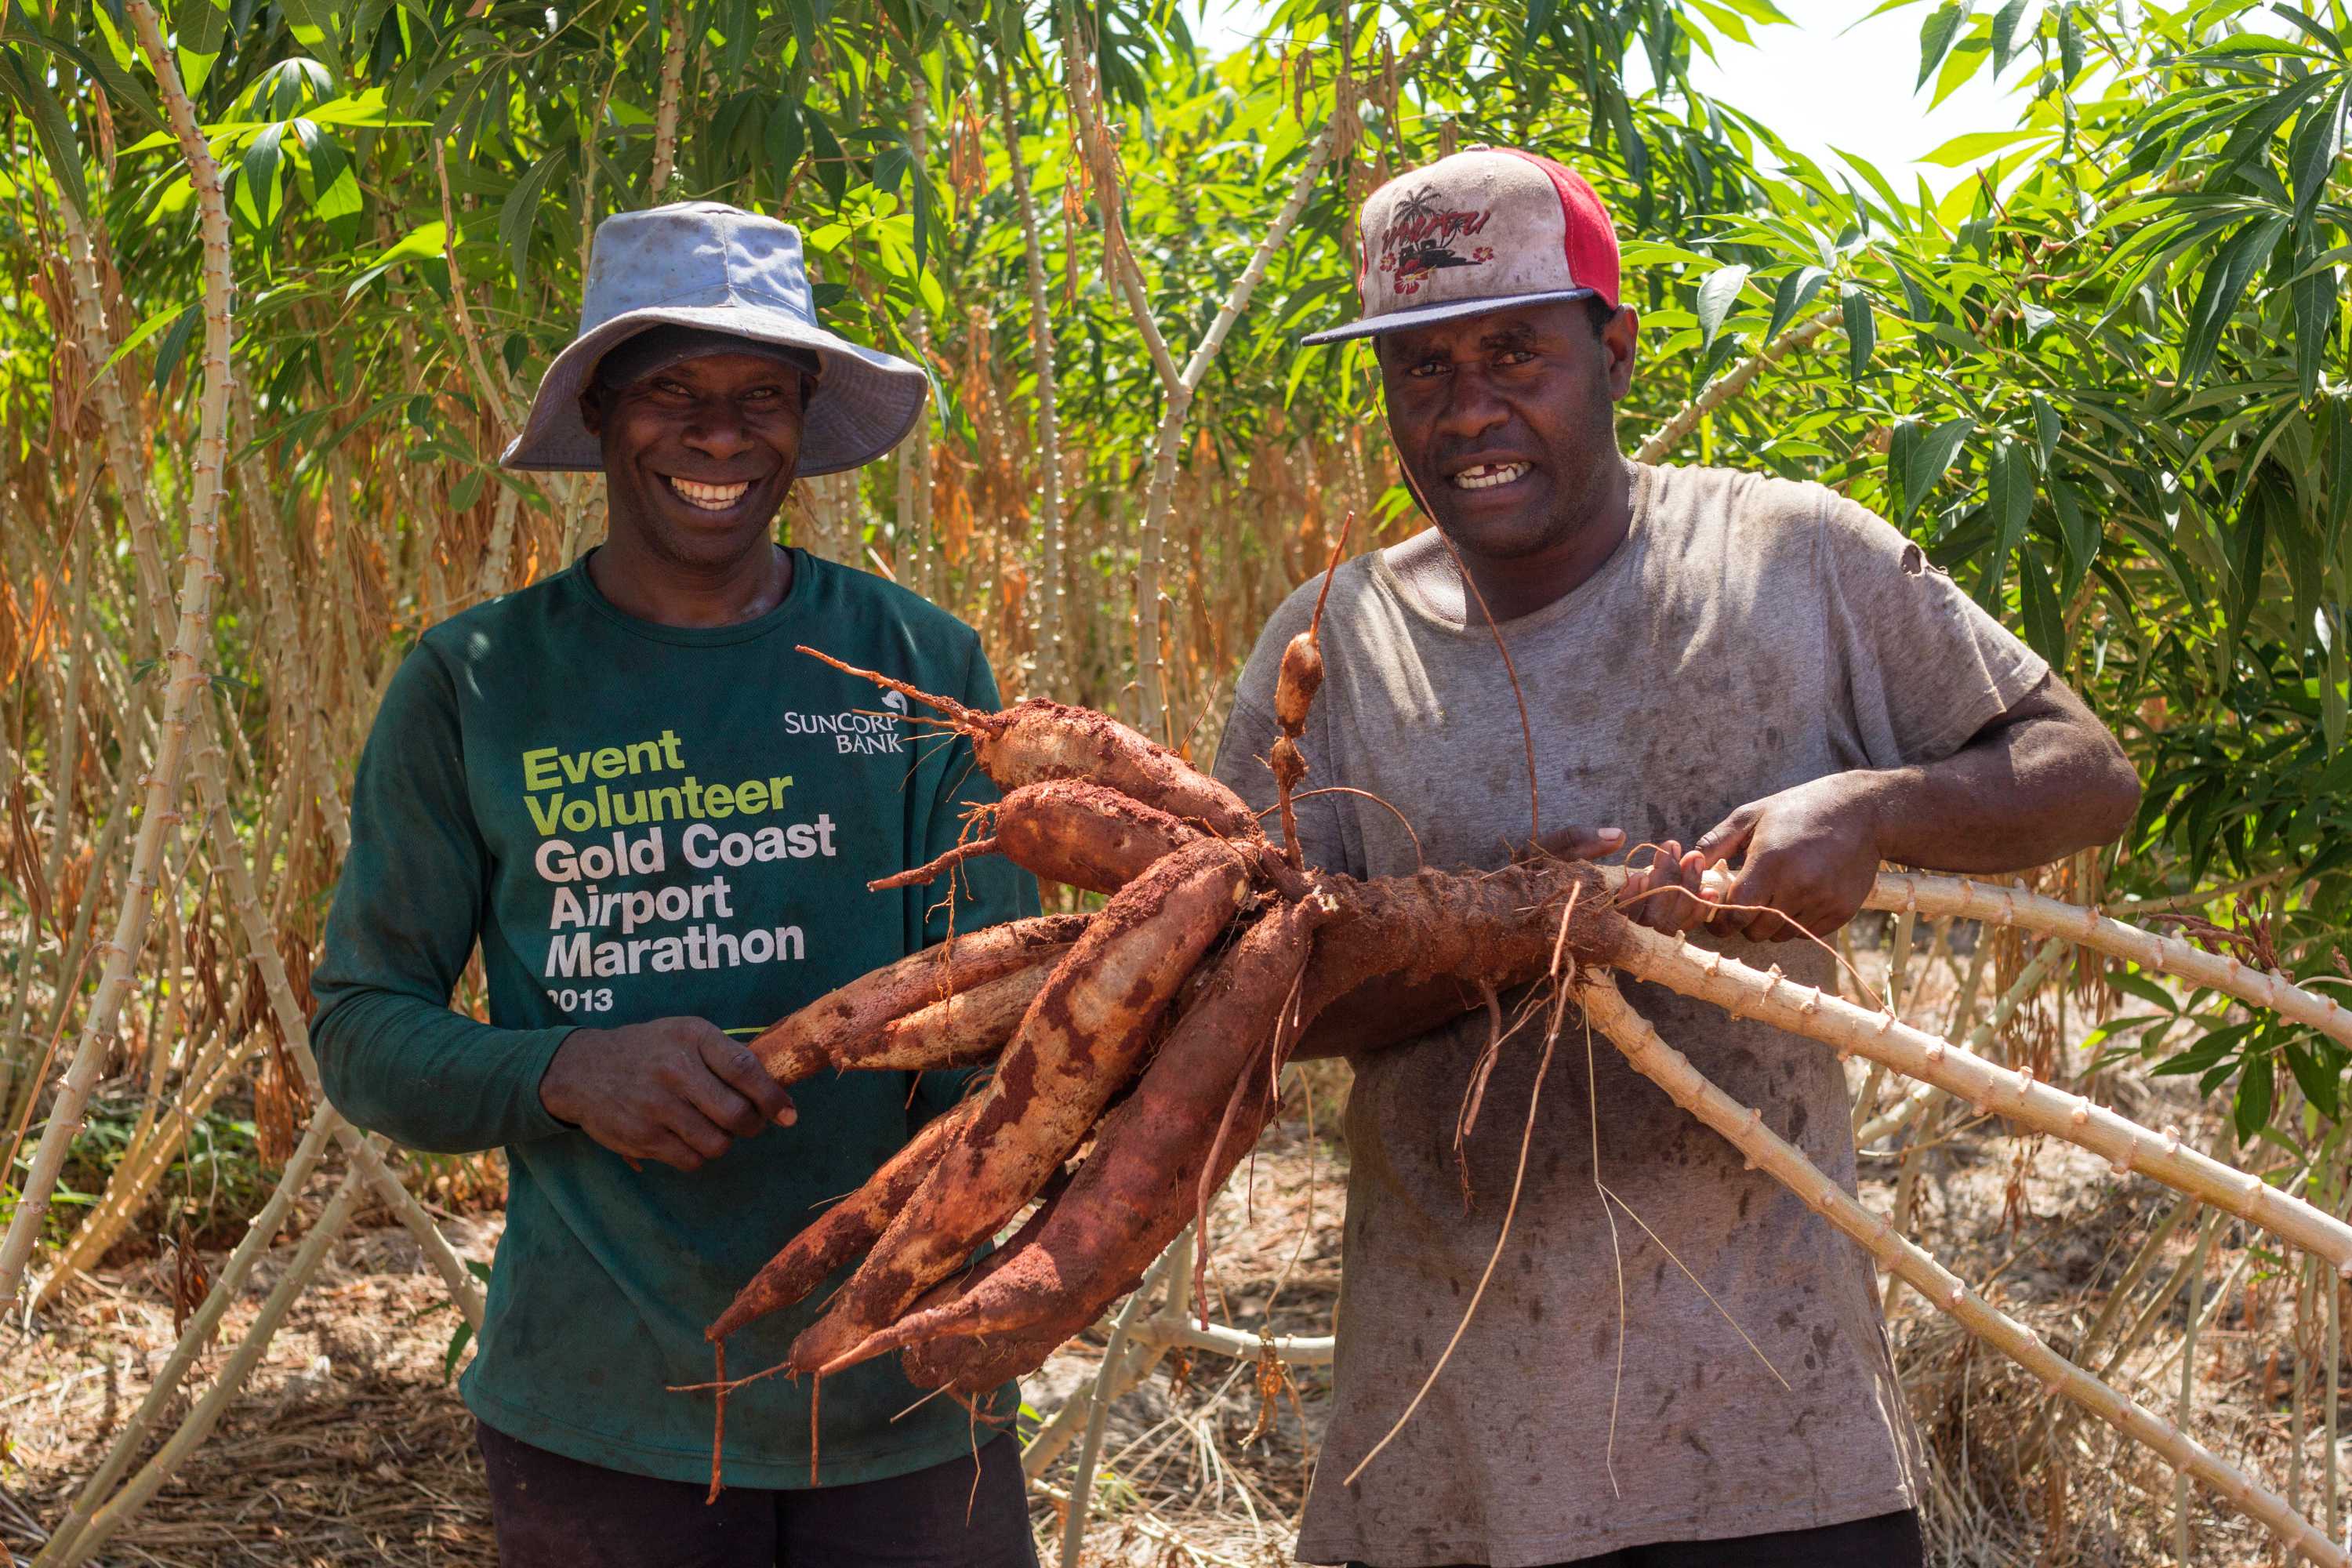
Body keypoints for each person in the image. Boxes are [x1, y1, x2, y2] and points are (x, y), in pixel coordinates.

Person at [1212, 148, 2141, 1568]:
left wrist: (1873, 811)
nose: (1471, 411)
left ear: (1616, 346)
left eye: (1517, 352)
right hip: (1447, 1446)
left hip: (1775, 1433)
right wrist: (1514, 931)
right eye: (1421, 370)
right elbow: (1253, 1006)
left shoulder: (1791, 559)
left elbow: (2084, 771)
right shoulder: (1331, 647)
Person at [310, 201, 1040, 1568]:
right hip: (600, 1409)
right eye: (672, 394)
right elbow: (362, 1026)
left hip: (905, 1388)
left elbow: (993, 1006)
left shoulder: (913, 671)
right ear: (598, 414)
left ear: (803, 419)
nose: (719, 436)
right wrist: (566, 1071)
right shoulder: (477, 683)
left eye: (761, 397)